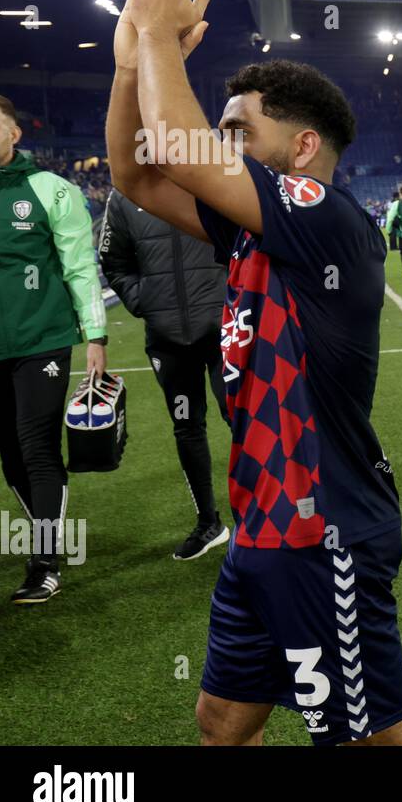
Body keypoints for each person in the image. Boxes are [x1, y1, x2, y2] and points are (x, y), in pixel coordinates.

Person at [105, 0, 402, 746]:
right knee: (220, 722)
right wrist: (126, 66)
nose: (221, 144)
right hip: (261, 527)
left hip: (324, 533)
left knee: (368, 739)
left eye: (238, 130)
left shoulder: (325, 217)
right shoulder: (253, 230)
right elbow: (140, 172)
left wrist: (153, 38)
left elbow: (174, 148)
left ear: (303, 146)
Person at [0, 92, 108, 603]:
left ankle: (45, 563)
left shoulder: (52, 189)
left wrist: (94, 335)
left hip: (42, 340)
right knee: (10, 454)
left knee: (36, 448)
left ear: (15, 134)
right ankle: (49, 533)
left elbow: (80, 267)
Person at [99, 186, 231, 559]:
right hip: (168, 339)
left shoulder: (213, 179)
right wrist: (145, 302)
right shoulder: (124, 196)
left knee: (242, 419)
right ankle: (209, 523)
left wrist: (237, 297)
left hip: (225, 329)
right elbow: (113, 261)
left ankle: (261, 518)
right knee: (187, 426)